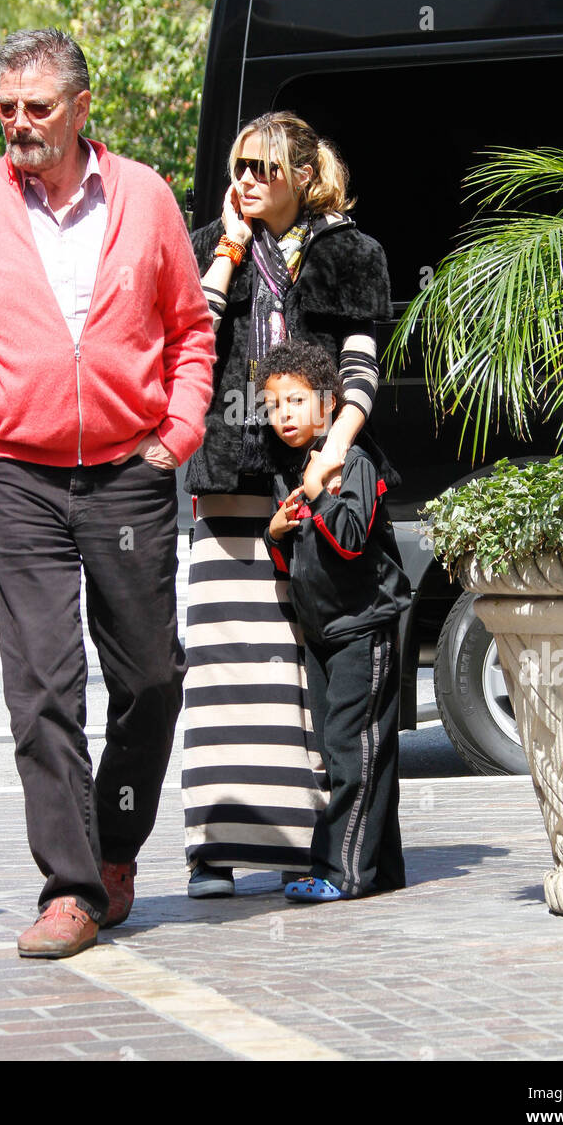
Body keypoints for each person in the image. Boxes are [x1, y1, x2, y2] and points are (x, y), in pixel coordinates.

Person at [0, 28, 215, 958]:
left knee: (152, 680)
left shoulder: (147, 197)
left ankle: (117, 849)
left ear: (81, 107)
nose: (20, 125)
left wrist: (177, 435)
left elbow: (191, 332)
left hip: (129, 472)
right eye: (6, 109)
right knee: (43, 689)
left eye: (38, 108)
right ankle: (71, 888)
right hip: (16, 476)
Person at [182, 110, 392, 897]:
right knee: (224, 668)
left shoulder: (350, 252)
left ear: (303, 175)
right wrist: (229, 254)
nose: (244, 180)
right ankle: (216, 847)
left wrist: (333, 452)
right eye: (238, 166)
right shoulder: (207, 244)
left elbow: (361, 364)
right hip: (229, 476)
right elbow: (190, 351)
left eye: (263, 168)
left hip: (314, 479)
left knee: (305, 670)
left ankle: (315, 845)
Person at [260, 339, 410, 900]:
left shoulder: (353, 461)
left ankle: (340, 871)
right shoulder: (296, 468)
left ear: (329, 406)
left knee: (354, 752)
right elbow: (305, 556)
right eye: (275, 406)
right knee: (350, 749)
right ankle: (381, 868)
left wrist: (320, 492)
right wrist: (274, 535)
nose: (285, 415)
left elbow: (349, 538)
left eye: (297, 401)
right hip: (323, 633)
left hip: (363, 629)